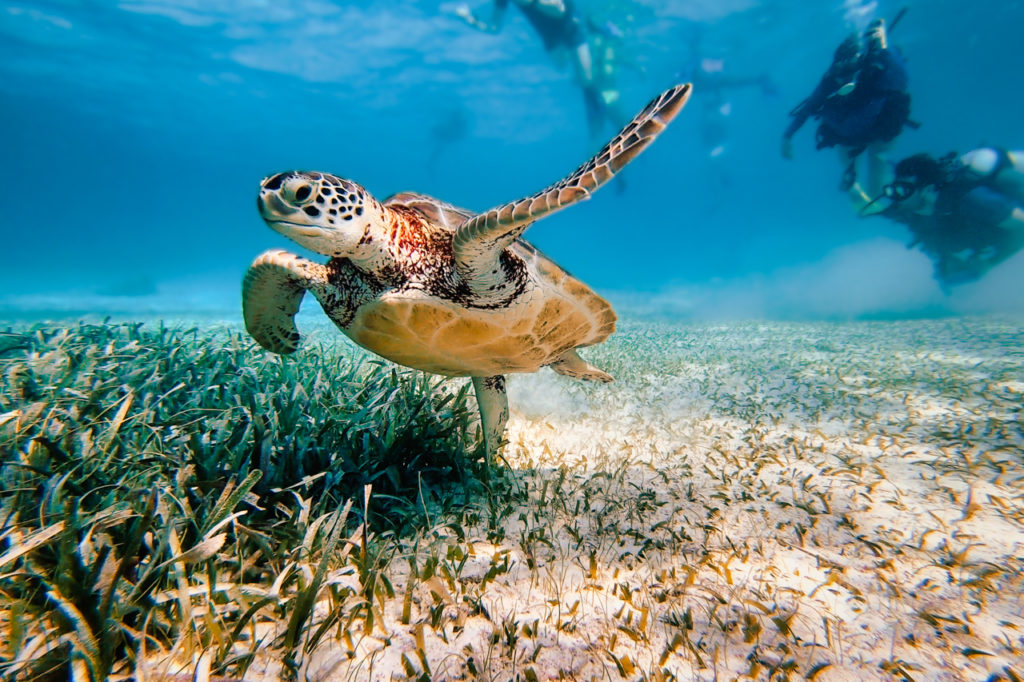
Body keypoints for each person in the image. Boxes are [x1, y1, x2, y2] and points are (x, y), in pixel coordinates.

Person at [453, 0, 625, 143]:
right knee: (564, 67)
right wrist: (469, 18)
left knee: (585, 80)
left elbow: (560, 9)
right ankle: (593, 62)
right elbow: (494, 28)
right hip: (549, 36)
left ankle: (602, 115)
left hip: (569, 23)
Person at [782, 18, 914, 204]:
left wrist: (884, 46)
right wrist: (787, 136)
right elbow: (809, 106)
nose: (845, 76)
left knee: (877, 158)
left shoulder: (880, 71)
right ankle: (859, 195)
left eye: (851, 68)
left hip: (880, 128)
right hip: (850, 132)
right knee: (851, 161)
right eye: (841, 68)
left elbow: (901, 83)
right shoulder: (832, 78)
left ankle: (878, 202)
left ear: (861, 65)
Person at [858, 148, 1024, 288]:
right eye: (895, 189)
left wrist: (991, 262)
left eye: (903, 190)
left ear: (929, 190)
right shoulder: (913, 207)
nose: (896, 196)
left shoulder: (974, 201)